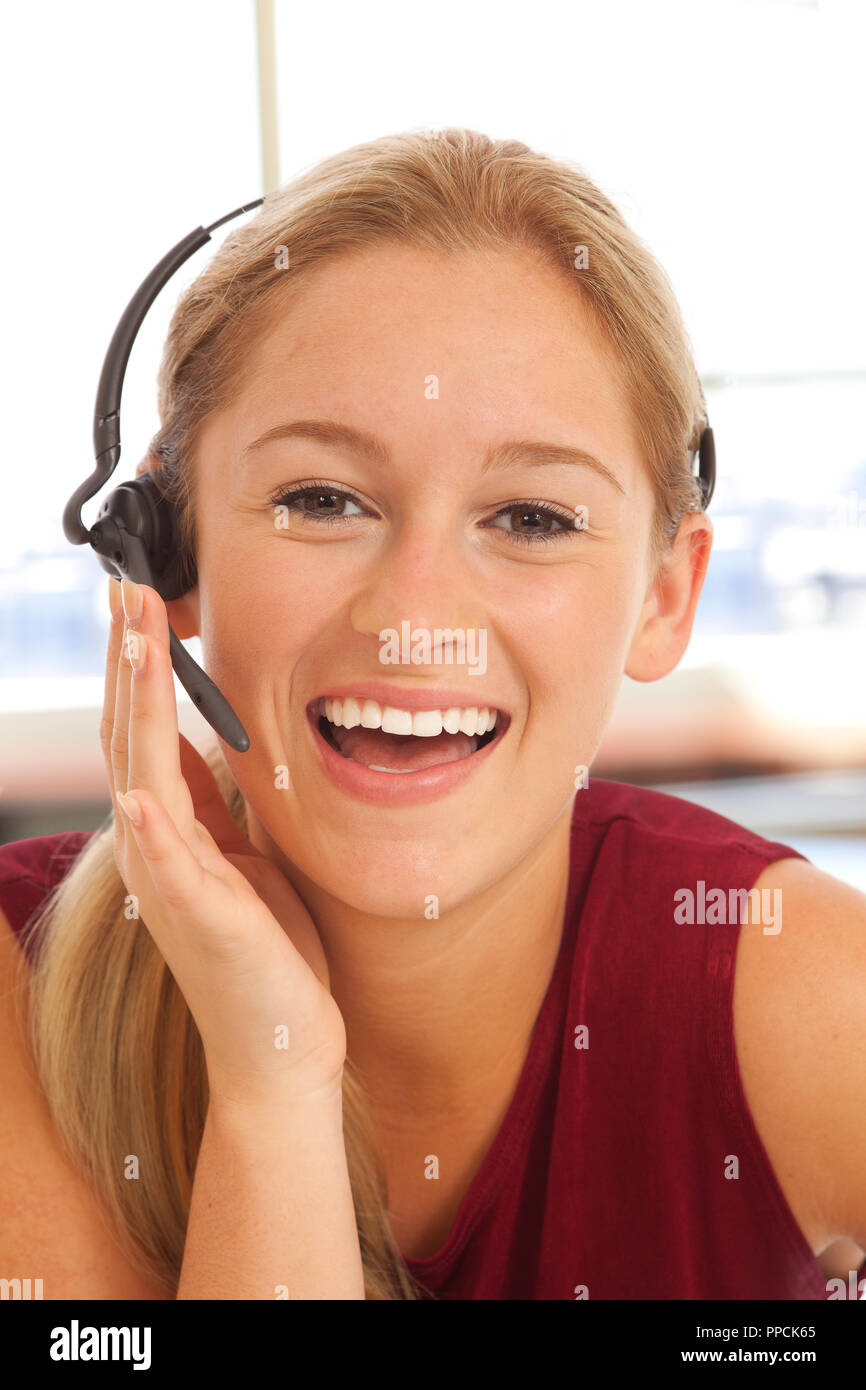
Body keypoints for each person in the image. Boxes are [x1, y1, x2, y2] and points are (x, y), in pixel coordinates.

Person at [1, 128, 864, 1301]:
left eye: (531, 518)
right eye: (322, 498)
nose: (416, 615)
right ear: (166, 549)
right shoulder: (19, 1009)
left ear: (666, 596)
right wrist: (273, 1078)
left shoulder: (804, 997)